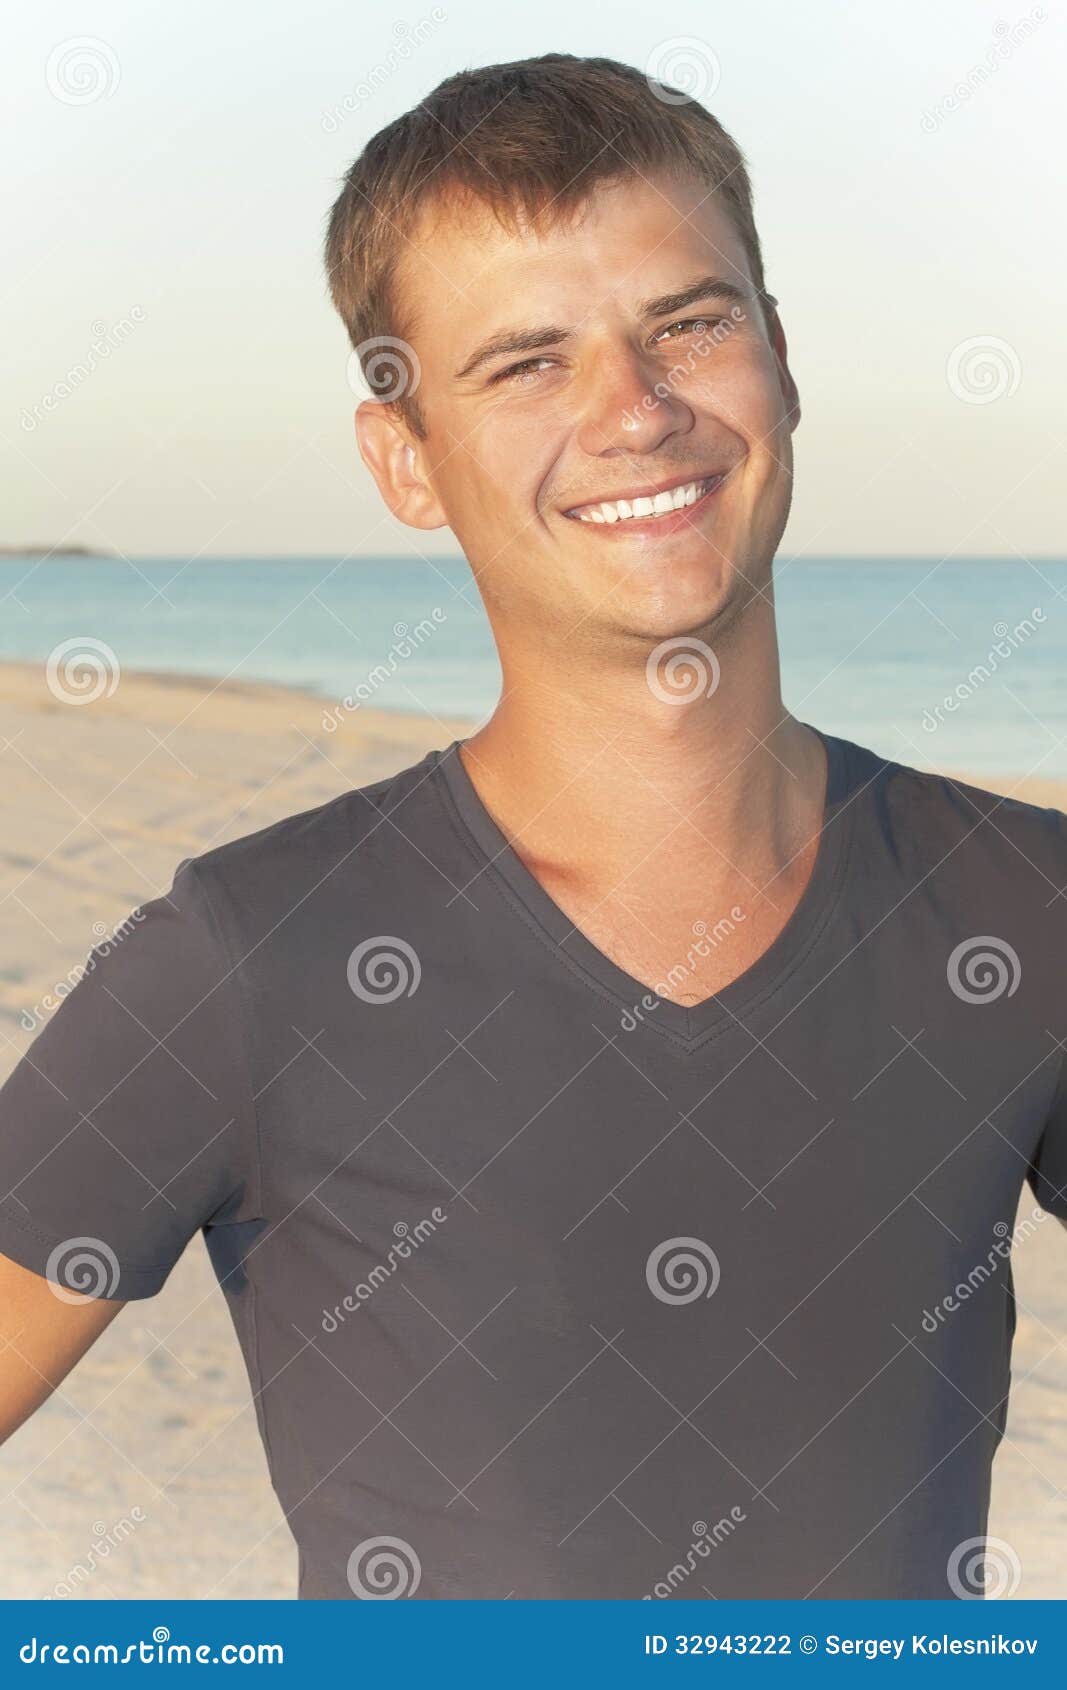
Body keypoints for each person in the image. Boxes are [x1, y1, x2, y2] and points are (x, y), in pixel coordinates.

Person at [1, 52, 1064, 1603]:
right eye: (525, 363)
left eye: (688, 321)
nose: (635, 412)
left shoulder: (1025, 909)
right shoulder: (247, 956)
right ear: (406, 459)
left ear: (782, 356)